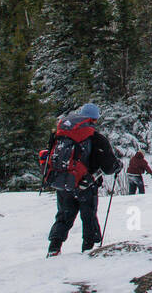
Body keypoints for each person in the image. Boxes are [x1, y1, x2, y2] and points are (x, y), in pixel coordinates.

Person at [45, 103, 122, 256]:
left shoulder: (61, 133)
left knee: (63, 215)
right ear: (94, 119)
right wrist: (117, 166)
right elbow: (108, 166)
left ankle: (54, 247)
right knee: (88, 216)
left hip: (64, 181)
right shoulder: (95, 137)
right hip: (86, 184)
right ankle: (89, 249)